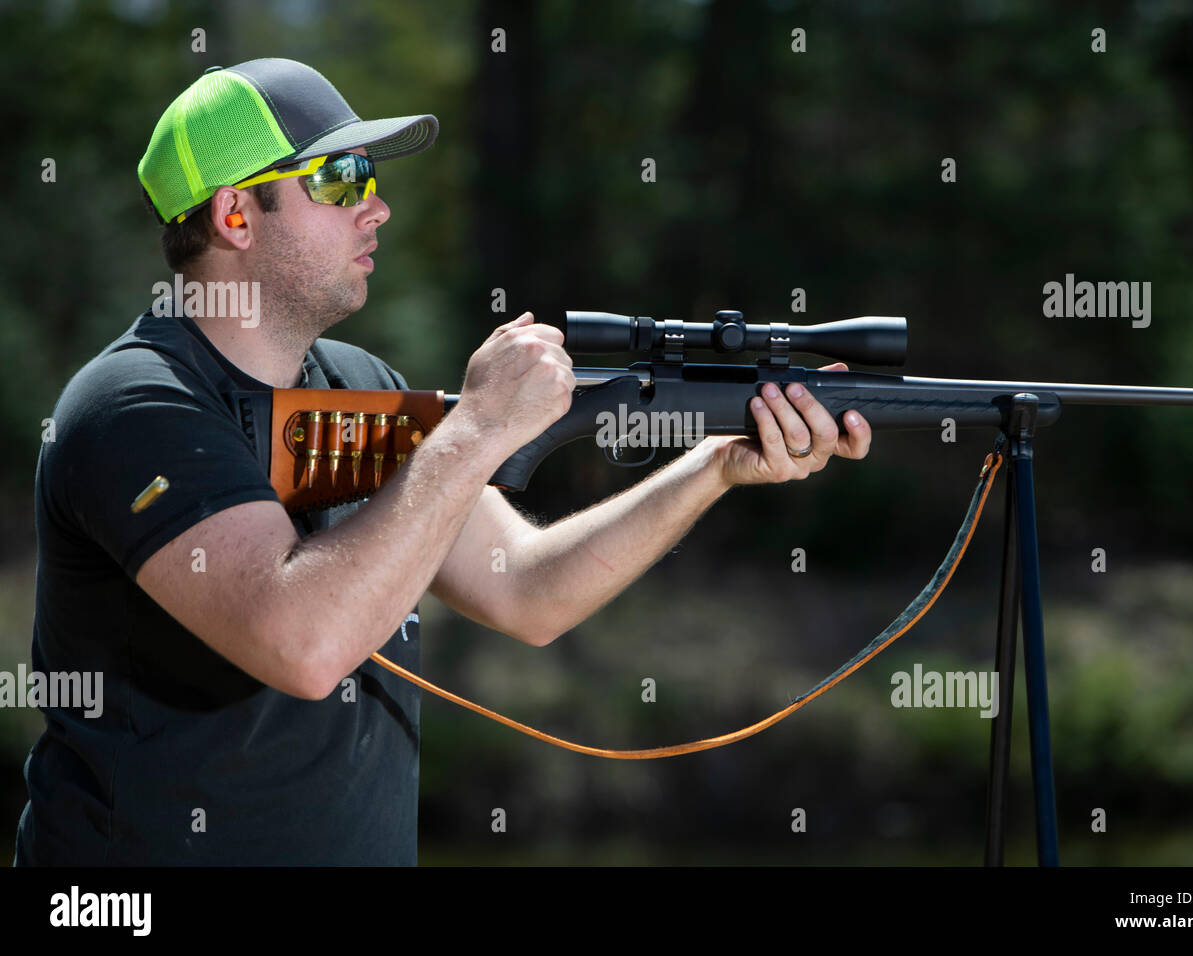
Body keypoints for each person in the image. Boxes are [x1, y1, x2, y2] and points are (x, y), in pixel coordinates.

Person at [14, 58, 871, 865]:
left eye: (372, 179)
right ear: (235, 215)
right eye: (339, 179)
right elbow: (305, 645)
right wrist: (476, 430)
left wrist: (717, 467)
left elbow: (529, 590)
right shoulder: (133, 405)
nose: (376, 206)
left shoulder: (359, 386)